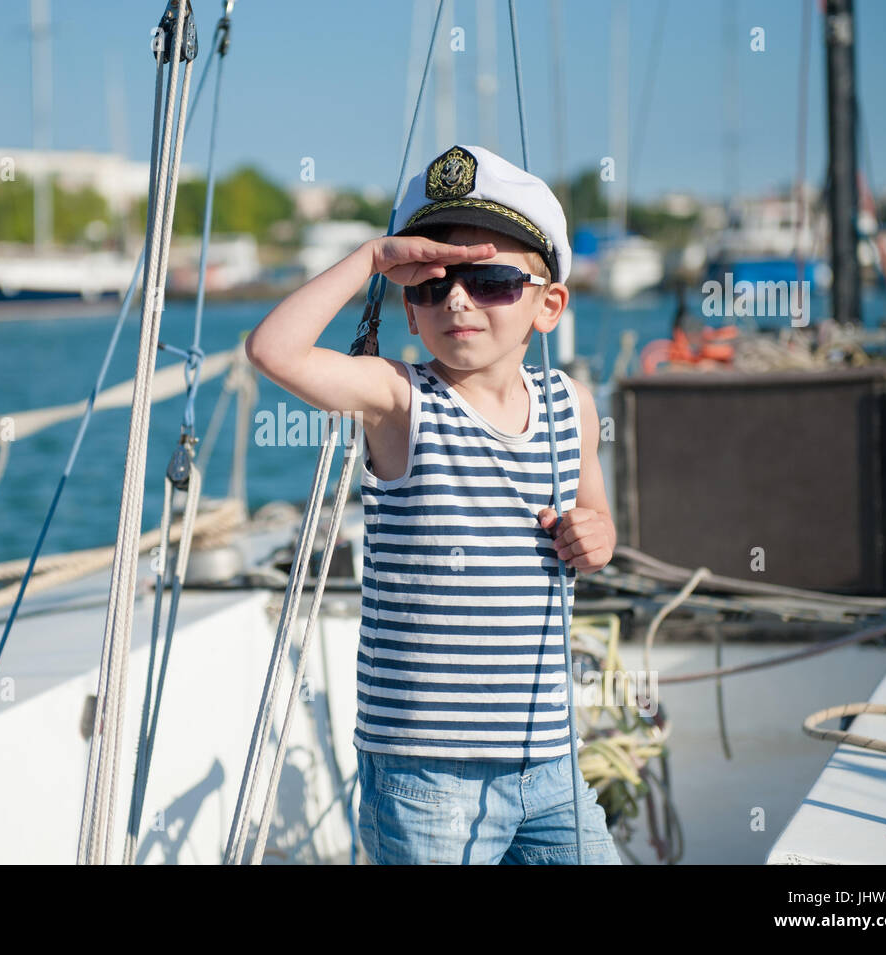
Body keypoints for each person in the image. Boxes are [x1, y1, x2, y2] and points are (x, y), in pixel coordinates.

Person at [244, 144, 622, 864]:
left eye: (490, 281)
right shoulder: (400, 401)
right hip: (427, 776)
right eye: (432, 284)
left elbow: (595, 519)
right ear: (411, 312)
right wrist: (373, 260)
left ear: (549, 304)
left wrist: (594, 536)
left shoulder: (571, 404)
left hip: (548, 760)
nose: (457, 298)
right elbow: (274, 350)